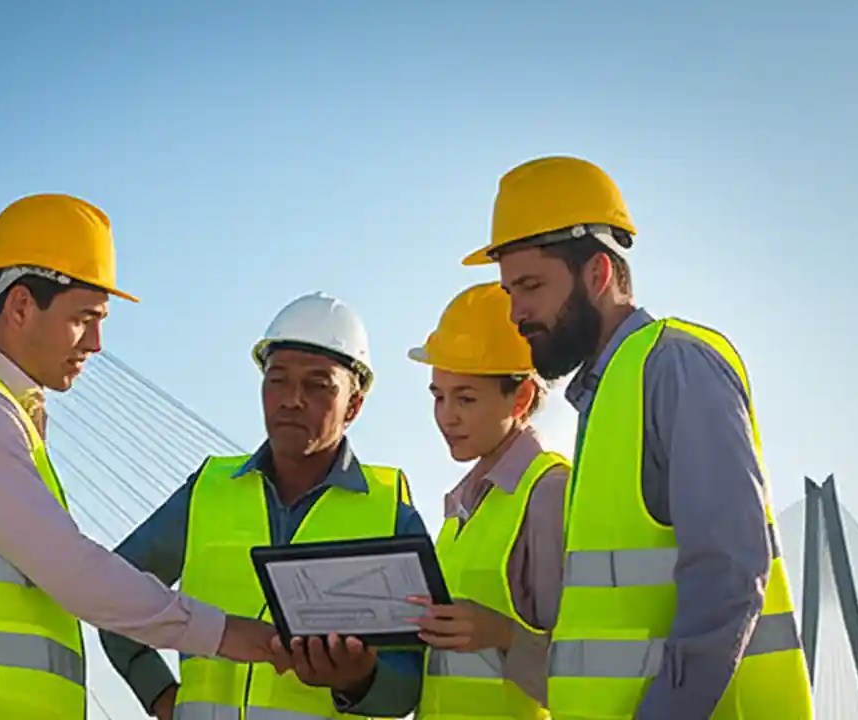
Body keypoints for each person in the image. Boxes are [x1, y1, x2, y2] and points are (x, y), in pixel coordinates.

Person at [0, 193, 276, 719]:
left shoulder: (2, 415)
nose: (97, 343)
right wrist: (231, 635)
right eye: (85, 317)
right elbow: (74, 570)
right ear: (19, 306)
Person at [464, 156, 812, 719]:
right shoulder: (604, 401)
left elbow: (729, 572)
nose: (515, 312)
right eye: (509, 292)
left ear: (598, 274)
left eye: (529, 286)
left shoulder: (676, 366)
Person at [99, 291, 431, 719]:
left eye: (317, 385)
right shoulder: (207, 490)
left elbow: (415, 682)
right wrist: (160, 695)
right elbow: (112, 593)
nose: (292, 399)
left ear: (354, 405)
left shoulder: (392, 513)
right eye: (277, 380)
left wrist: (359, 679)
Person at [403, 281, 571, 719]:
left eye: (466, 398)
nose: (446, 416)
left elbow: (592, 676)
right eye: (438, 396)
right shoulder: (461, 509)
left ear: (522, 397)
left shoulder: (549, 494)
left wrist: (504, 635)